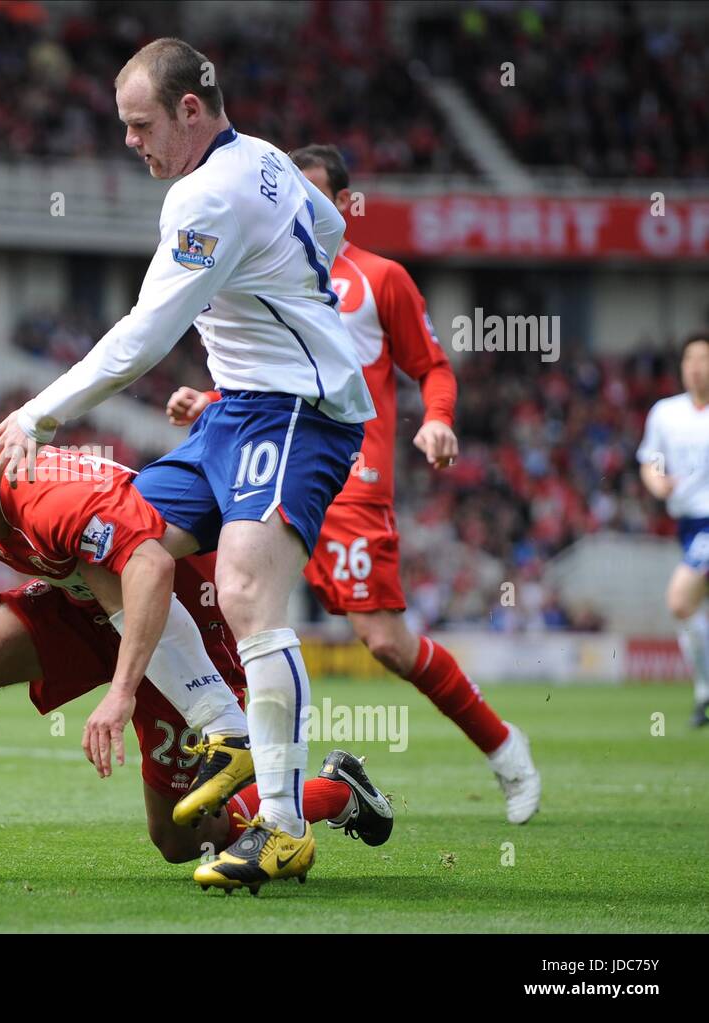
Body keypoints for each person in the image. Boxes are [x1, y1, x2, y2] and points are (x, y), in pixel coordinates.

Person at [0, 38, 373, 891]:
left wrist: (38, 412)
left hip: (299, 410)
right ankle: (223, 725)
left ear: (189, 110)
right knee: (111, 546)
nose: (132, 143)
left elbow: (143, 338)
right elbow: (334, 228)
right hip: (237, 408)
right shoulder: (267, 159)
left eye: (140, 125)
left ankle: (282, 826)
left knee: (244, 589)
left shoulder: (209, 195)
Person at [0, 428, 392, 883]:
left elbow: (153, 567)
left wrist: (120, 692)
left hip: (171, 612)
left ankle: (336, 793)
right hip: (87, 596)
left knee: (180, 837)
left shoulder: (49, 503)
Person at [166, 144, 541, 823]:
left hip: (350, 482)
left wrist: (438, 419)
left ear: (342, 205)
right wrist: (212, 401)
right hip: (261, 465)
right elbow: (260, 376)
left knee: (385, 643)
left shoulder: (380, 278)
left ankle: (503, 745)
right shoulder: (257, 263)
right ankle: (262, 794)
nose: (294, 210)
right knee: (222, 601)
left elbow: (432, 365)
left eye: (312, 198)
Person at [638, 331, 709, 728]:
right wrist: (658, 482)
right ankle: (703, 694)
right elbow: (651, 462)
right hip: (687, 524)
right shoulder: (665, 413)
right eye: (688, 359)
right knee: (691, 612)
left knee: (680, 600)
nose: (695, 367)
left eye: (703, 358)